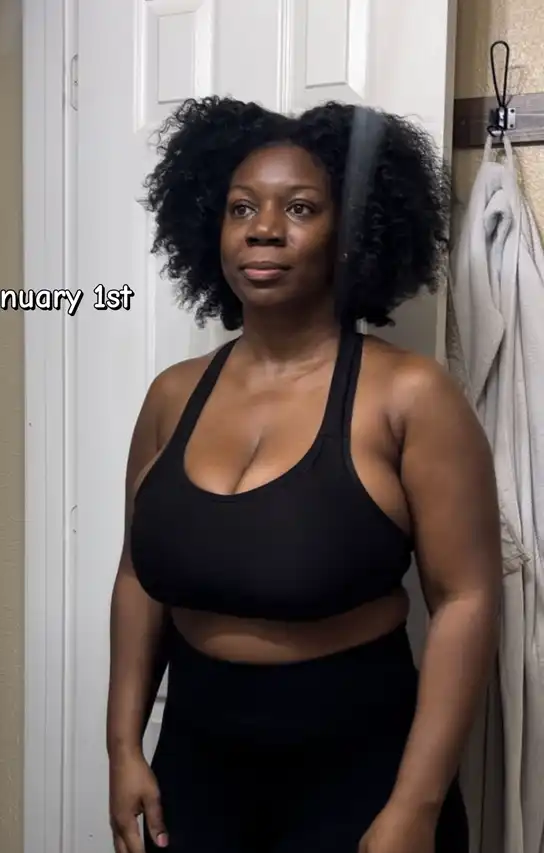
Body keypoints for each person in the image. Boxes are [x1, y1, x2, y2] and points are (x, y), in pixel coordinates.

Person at [106, 96, 502, 853]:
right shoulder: (172, 395)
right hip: (193, 766)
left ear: (351, 233)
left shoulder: (409, 395)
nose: (263, 228)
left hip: (359, 773)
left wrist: (416, 805)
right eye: (241, 207)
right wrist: (123, 747)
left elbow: (465, 600)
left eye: (300, 208)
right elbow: (137, 579)